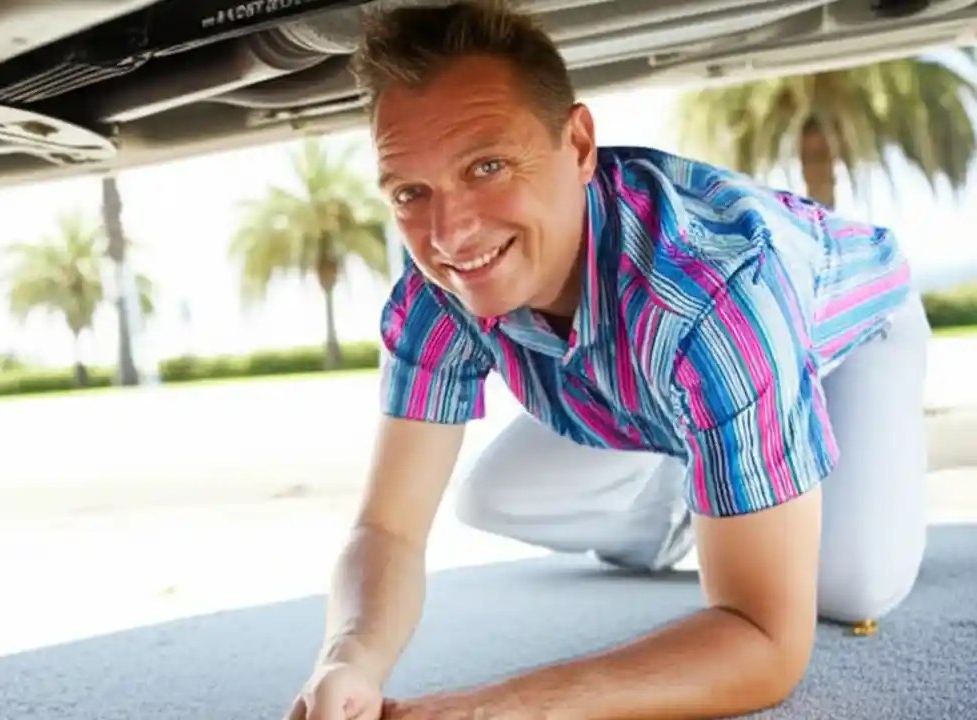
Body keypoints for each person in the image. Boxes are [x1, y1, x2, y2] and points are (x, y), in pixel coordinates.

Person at [283, 1, 931, 718]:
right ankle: (715, 489)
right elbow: (389, 529)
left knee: (848, 587)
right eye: (411, 192)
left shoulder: (713, 301)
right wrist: (348, 657)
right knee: (494, 497)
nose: (451, 233)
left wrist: (496, 709)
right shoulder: (439, 288)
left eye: (487, 165)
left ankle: (737, 486)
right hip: (669, 392)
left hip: (851, 341)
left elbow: (765, 642)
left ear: (580, 144)